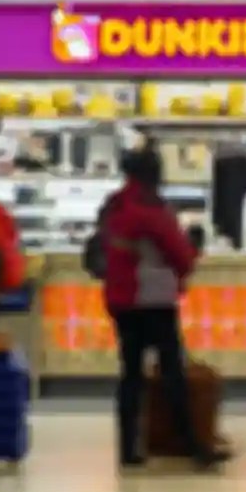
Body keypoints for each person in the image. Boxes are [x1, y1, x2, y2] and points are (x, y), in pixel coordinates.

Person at [103, 146, 228, 472]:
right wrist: (191, 250)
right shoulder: (151, 208)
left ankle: (128, 449)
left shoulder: (115, 205)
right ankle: (191, 443)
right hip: (153, 299)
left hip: (120, 299)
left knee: (130, 373)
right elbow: (180, 256)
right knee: (172, 372)